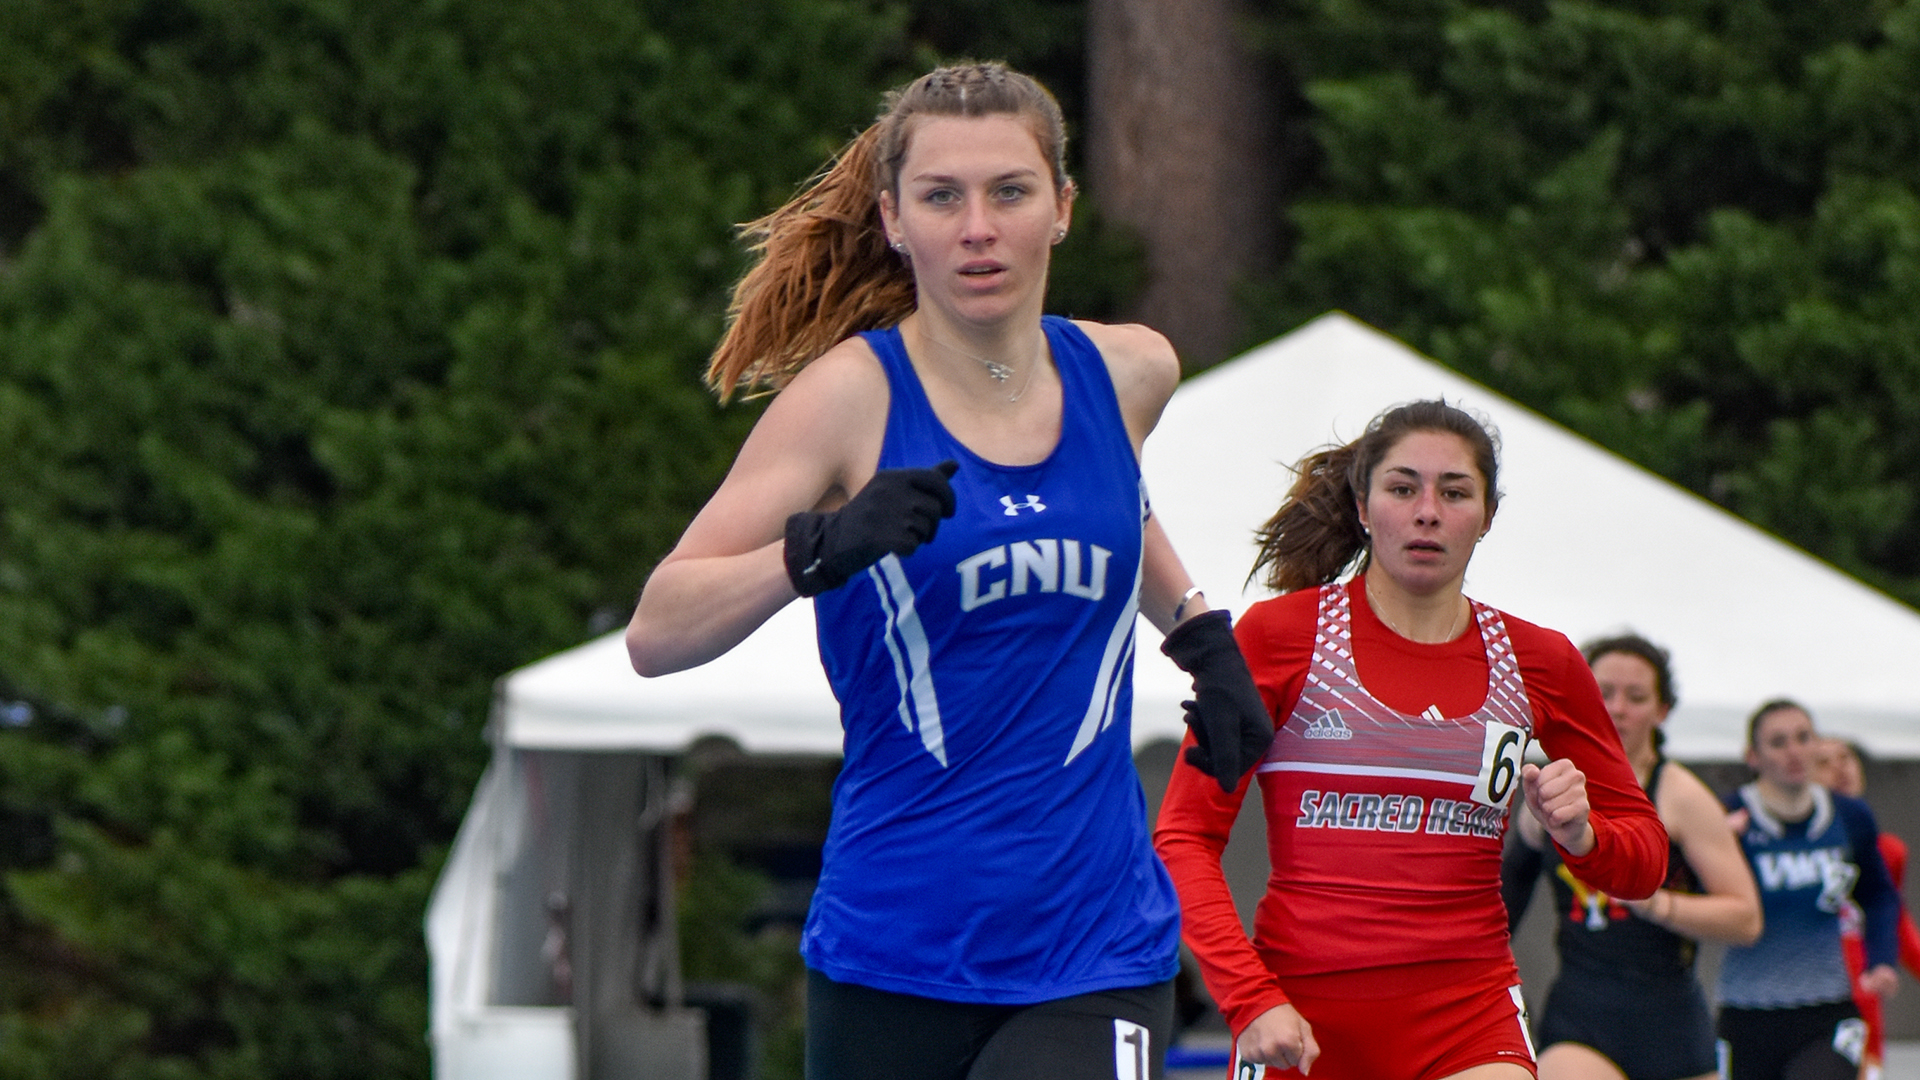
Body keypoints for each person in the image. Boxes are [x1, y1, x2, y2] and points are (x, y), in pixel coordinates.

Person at [623, 62, 1274, 1080]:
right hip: (896, 948)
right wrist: (812, 553)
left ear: (1060, 210)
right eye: (943, 197)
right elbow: (656, 632)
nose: (979, 227)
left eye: (1010, 192)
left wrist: (1196, 627)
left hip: (1095, 943)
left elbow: (1110, 505)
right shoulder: (847, 402)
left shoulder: (1131, 370)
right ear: (893, 219)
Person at [1153, 400, 1669, 1080]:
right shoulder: (1281, 636)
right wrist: (1249, 1000)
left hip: (1467, 1017)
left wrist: (1586, 838)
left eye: (1455, 492)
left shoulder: (1540, 660)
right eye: (1403, 488)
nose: (1428, 511)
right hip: (1302, 1020)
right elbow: (1183, 838)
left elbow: (1646, 861)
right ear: (1364, 508)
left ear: (1487, 516)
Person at [1501, 634, 1761, 1080]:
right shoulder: (1550, 787)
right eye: (1603, 693)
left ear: (1662, 712)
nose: (1618, 708)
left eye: (1636, 697)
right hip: (1580, 1015)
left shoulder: (1681, 796)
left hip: (1669, 1023)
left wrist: (1656, 903)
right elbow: (1504, 899)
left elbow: (1746, 919)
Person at [1716, 701, 1903, 1080]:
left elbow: (1880, 895)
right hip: (1747, 1012)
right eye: (1778, 742)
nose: (1794, 751)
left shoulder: (1850, 816)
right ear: (1753, 756)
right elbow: (1691, 892)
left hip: (1828, 1009)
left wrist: (1881, 958)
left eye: (1804, 738)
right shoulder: (1729, 816)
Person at [1810, 737, 1920, 1080]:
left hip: (1864, 1005)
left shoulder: (1886, 851)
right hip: (1805, 1003)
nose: (1840, 767)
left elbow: (1893, 922)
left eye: (1846, 757)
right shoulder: (1791, 852)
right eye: (1825, 761)